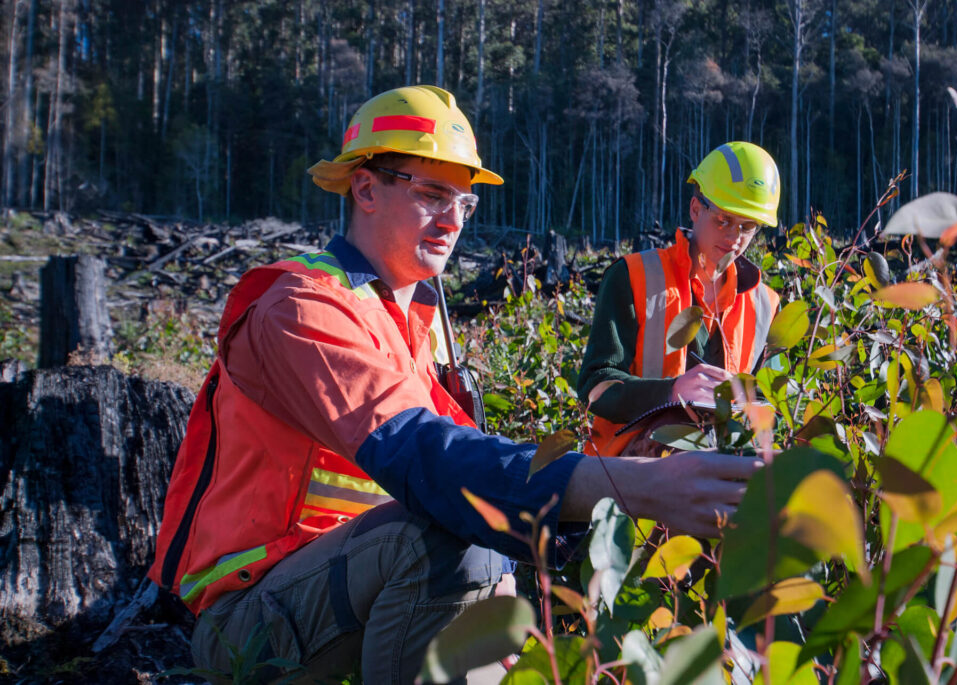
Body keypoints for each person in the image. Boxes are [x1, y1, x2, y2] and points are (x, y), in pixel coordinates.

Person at [148, 86, 762, 683]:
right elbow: (430, 459)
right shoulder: (305, 307)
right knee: (451, 534)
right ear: (365, 187)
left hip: (354, 596)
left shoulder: (413, 324)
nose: (453, 219)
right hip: (251, 625)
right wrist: (635, 486)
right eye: (433, 193)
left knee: (491, 545)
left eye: (464, 203)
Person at [577, 142, 782, 457]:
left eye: (748, 227)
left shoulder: (767, 305)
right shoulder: (632, 277)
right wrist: (669, 392)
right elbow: (595, 385)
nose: (734, 237)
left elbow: (777, 404)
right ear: (696, 209)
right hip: (627, 472)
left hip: (720, 477)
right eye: (723, 220)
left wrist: (747, 406)